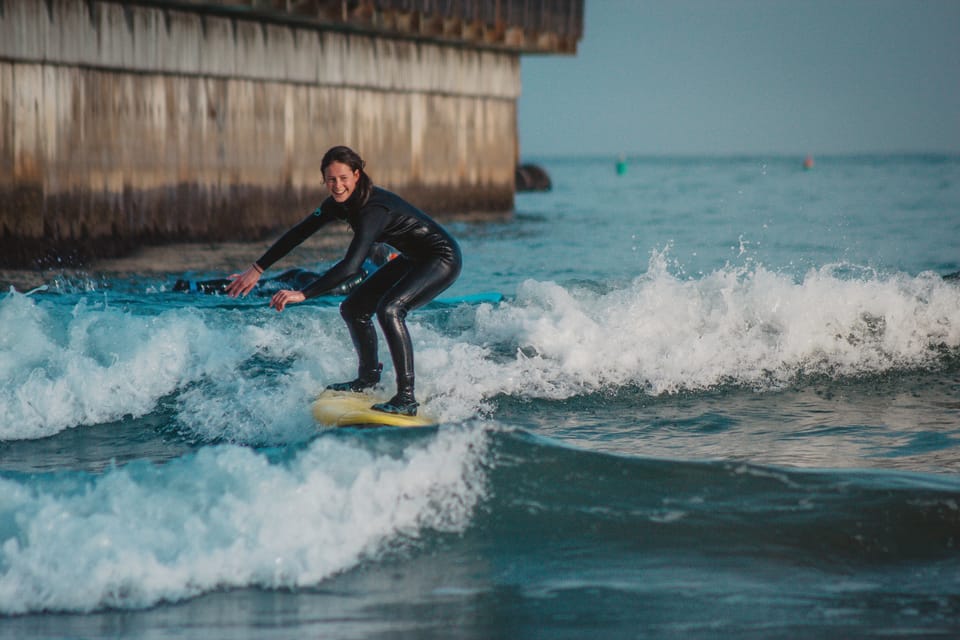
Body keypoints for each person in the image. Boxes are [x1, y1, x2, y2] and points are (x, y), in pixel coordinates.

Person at [226, 145, 462, 416]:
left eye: (343, 178)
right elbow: (298, 233)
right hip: (413, 258)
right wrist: (257, 268)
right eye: (331, 180)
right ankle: (368, 379)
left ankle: (406, 398)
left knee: (391, 309)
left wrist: (303, 294)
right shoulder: (337, 204)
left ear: (357, 176)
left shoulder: (372, 209)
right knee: (354, 308)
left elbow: (351, 266)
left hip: (441, 258)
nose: (337, 186)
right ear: (324, 180)